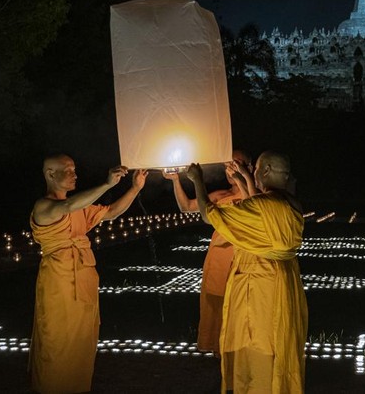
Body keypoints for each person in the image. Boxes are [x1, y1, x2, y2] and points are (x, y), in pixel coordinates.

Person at [186, 151, 308, 393]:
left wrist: (197, 180)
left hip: (258, 286)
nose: (252, 173)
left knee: (256, 345)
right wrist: (243, 178)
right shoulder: (292, 204)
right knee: (280, 342)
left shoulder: (261, 205)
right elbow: (262, 205)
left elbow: (209, 214)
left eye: (254, 170)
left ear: (264, 171)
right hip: (284, 283)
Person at [29, 154, 147, 393]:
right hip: (58, 281)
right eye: (68, 170)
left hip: (83, 278)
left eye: (75, 169)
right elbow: (67, 206)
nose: (75, 174)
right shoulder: (44, 206)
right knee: (57, 339)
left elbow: (111, 212)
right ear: (50, 174)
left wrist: (135, 188)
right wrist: (106, 184)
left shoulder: (79, 207)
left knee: (82, 340)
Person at [163, 150, 255, 354]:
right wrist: (176, 180)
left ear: (249, 167)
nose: (230, 169)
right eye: (226, 165)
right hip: (218, 257)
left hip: (244, 257)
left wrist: (242, 180)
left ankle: (240, 348)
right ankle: (216, 348)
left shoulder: (256, 194)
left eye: (236, 164)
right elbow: (187, 207)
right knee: (215, 303)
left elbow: (255, 207)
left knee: (241, 305)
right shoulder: (221, 195)